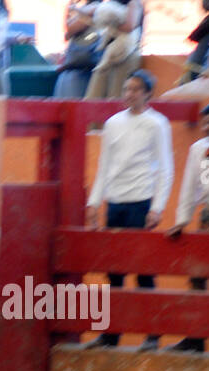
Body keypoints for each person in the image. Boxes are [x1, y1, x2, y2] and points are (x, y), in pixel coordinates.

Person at [83, 70, 173, 350]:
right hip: (115, 201)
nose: (129, 93)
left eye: (135, 89)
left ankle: (153, 333)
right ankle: (111, 335)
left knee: (143, 270)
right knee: (114, 273)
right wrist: (94, 202)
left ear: (147, 94)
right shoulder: (112, 123)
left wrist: (157, 207)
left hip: (141, 200)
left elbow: (166, 169)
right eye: (126, 88)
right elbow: (104, 165)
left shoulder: (157, 124)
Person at [168, 101, 209, 352]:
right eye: (206, 122)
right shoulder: (200, 149)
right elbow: (194, 187)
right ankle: (196, 336)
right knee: (197, 275)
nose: (208, 127)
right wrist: (182, 220)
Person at [84, 0, 143, 99]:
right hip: (107, 53)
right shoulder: (109, 4)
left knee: (116, 95)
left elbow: (130, 26)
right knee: (94, 95)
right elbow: (90, 14)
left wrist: (107, 25)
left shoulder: (133, 3)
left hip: (126, 54)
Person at [55, 2, 100, 98]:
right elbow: (68, 29)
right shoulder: (85, 8)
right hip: (76, 65)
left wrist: (74, 9)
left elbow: (71, 30)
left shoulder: (97, 7)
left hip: (83, 67)